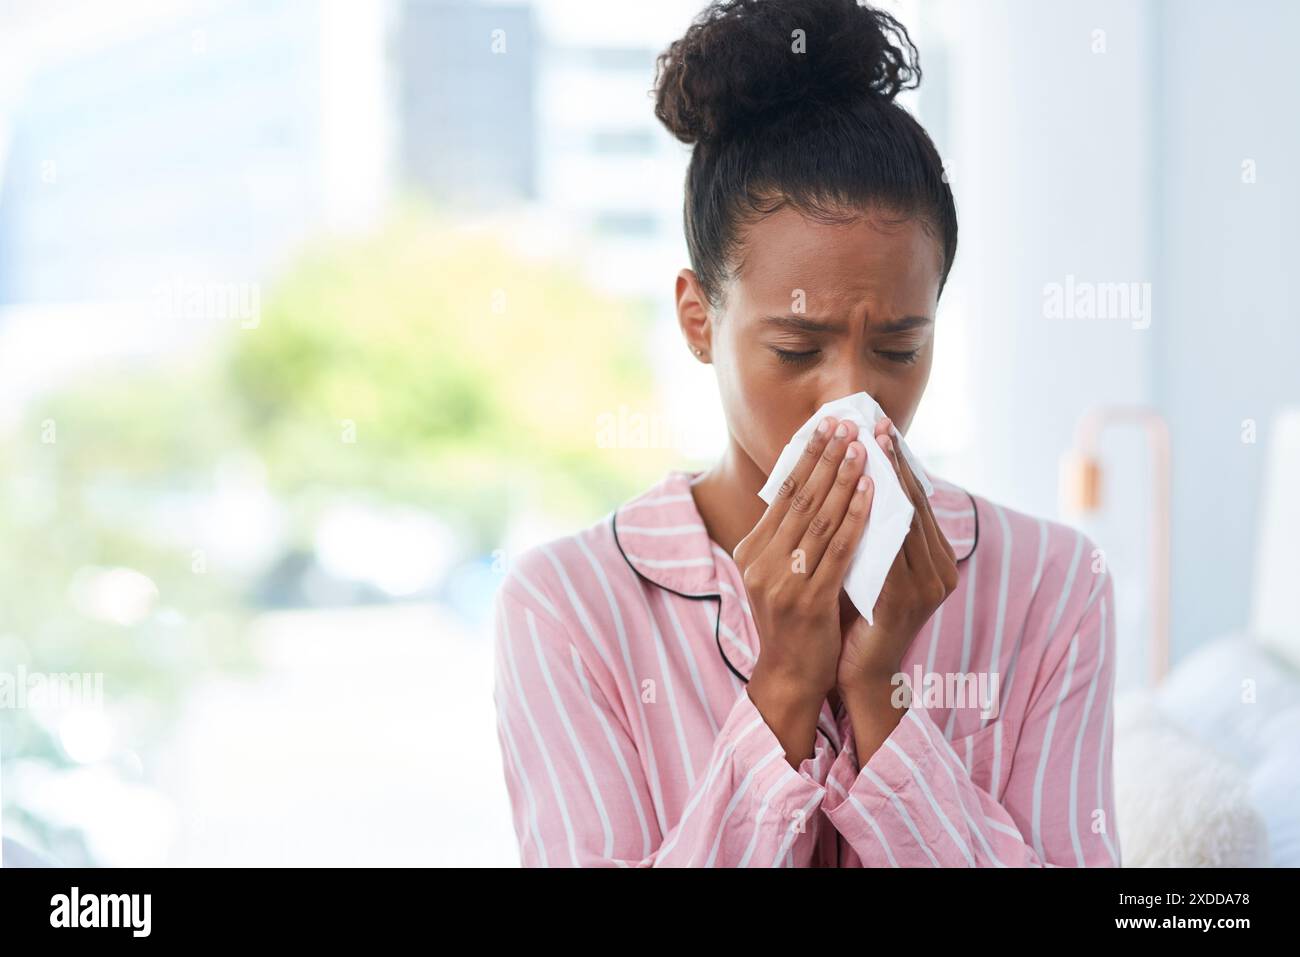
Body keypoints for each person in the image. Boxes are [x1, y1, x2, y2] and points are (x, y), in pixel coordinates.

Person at [492, 0, 1120, 867]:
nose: (853, 398)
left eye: (899, 346)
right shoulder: (570, 607)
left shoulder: (1051, 589)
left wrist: (881, 693)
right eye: (797, 347)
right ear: (697, 319)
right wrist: (783, 684)